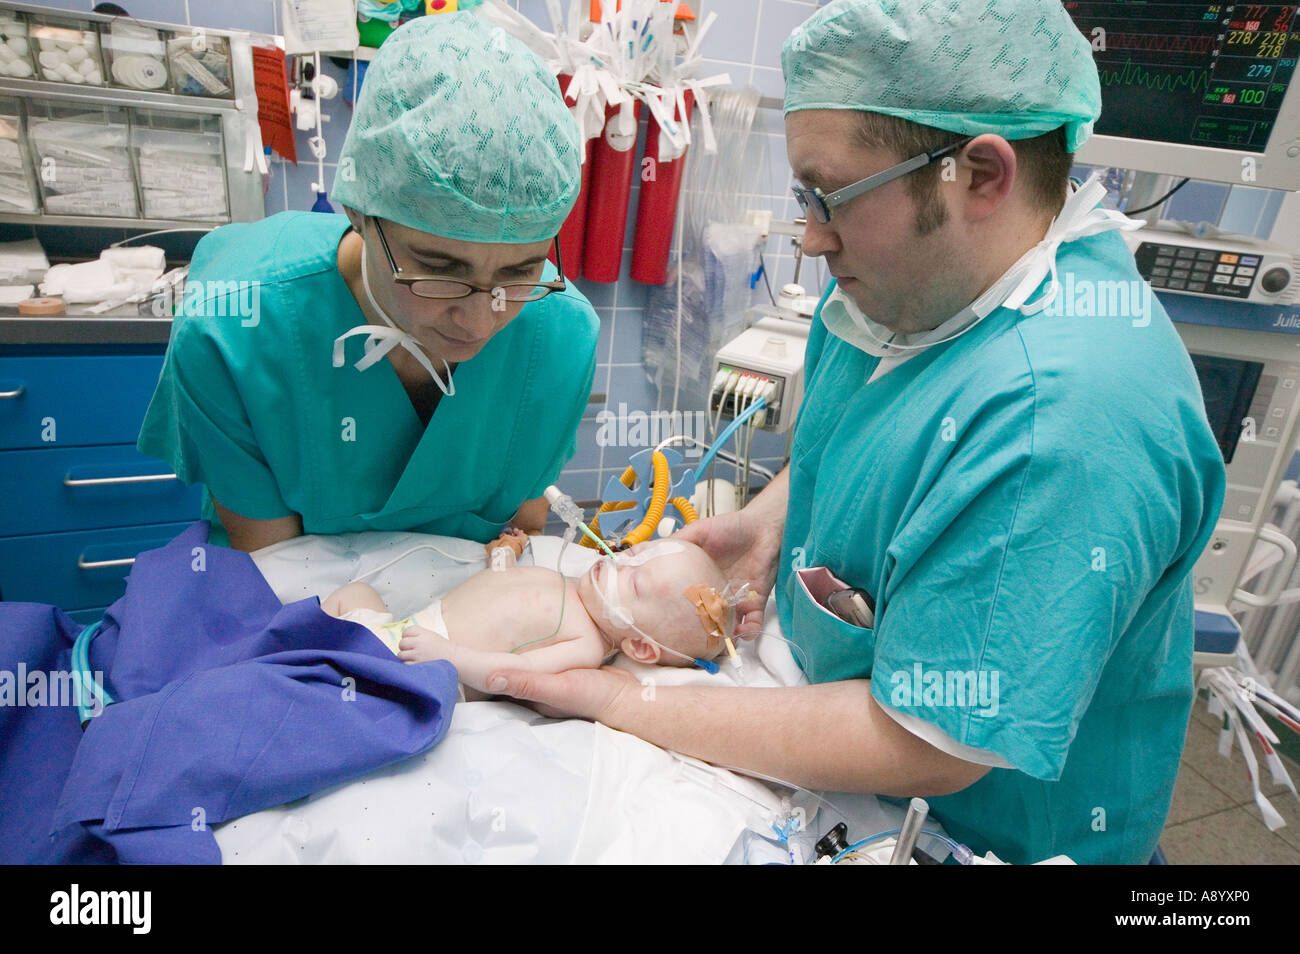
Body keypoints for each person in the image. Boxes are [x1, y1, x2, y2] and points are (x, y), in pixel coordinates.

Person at [481, 0, 1227, 865]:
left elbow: (925, 739)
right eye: (804, 196)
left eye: (829, 196)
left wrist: (619, 698)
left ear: (979, 176)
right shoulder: (904, 281)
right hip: (822, 740)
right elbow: (869, 423)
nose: (810, 235)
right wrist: (767, 525)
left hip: (974, 831)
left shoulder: (1064, 422)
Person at [138, 14, 598, 551]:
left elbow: (520, 538)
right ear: (357, 208)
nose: (478, 320)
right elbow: (277, 574)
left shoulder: (560, 337)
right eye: (438, 268)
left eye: (521, 271)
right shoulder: (235, 328)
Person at [320, 538, 731, 697]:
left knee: (343, 679)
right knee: (356, 595)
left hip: (425, 666)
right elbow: (501, 590)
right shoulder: (573, 583)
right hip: (407, 627)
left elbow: (514, 673)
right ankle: (287, 642)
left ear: (639, 646)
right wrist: (504, 556)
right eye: (633, 554)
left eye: (635, 582)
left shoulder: (585, 644)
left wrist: (445, 655)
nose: (618, 561)